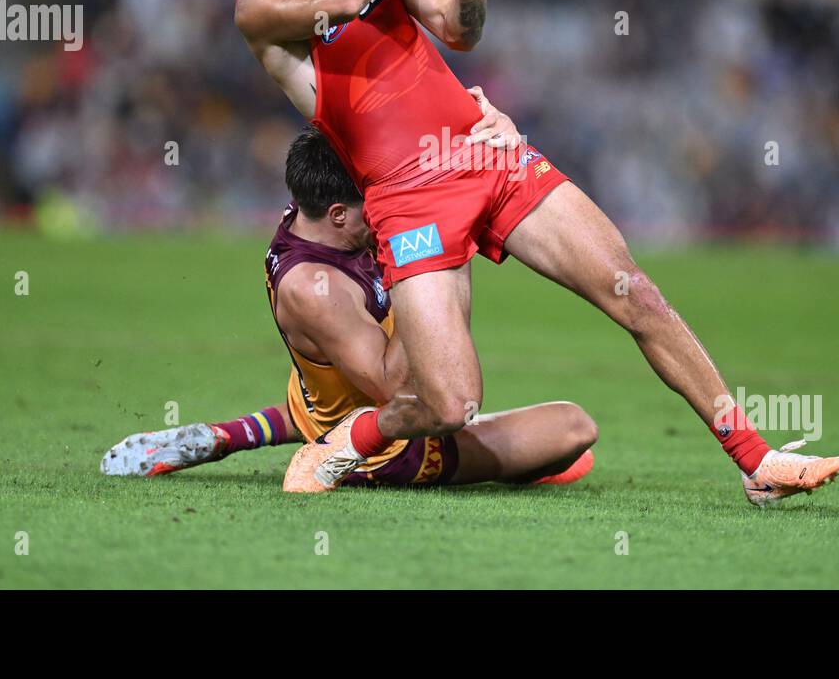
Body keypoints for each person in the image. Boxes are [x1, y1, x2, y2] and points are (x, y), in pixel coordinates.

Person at [182, 0, 839, 505]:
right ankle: (350, 440)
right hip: (409, 200)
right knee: (448, 404)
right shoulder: (258, 4)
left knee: (635, 293)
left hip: (485, 151)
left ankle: (756, 460)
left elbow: (458, 28)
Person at [102, 115, 596, 488]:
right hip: (394, 444)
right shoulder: (315, 288)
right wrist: (435, 260)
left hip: (321, 396)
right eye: (372, 201)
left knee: (326, 390)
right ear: (338, 214)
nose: (385, 207)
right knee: (572, 431)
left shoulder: (312, 212)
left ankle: (230, 435)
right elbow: (392, 386)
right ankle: (338, 451)